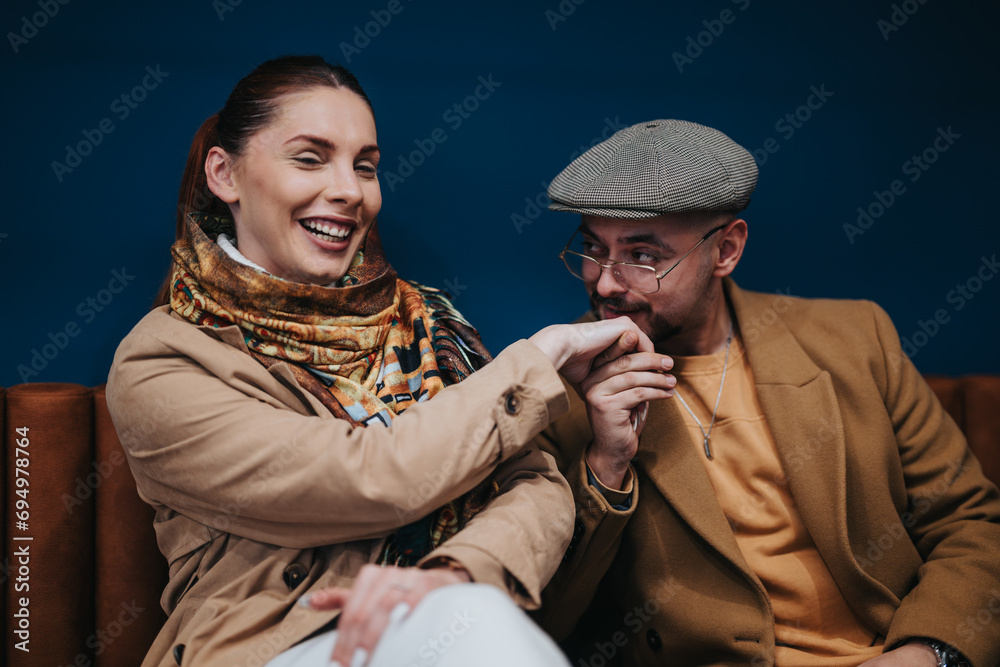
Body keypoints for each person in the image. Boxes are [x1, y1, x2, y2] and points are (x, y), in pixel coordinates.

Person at [104, 55, 661, 667]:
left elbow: (534, 482)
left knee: (475, 623)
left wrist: (454, 574)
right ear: (225, 174)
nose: (349, 190)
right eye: (310, 158)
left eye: (365, 166)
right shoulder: (160, 360)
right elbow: (369, 481)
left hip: (437, 627)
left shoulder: (424, 319)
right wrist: (538, 360)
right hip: (274, 650)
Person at [533, 119, 1000, 667]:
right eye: (592, 248)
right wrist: (604, 466)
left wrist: (926, 653)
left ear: (726, 249)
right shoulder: (559, 391)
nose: (606, 283)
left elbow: (969, 525)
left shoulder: (856, 339)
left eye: (642, 255)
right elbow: (545, 620)